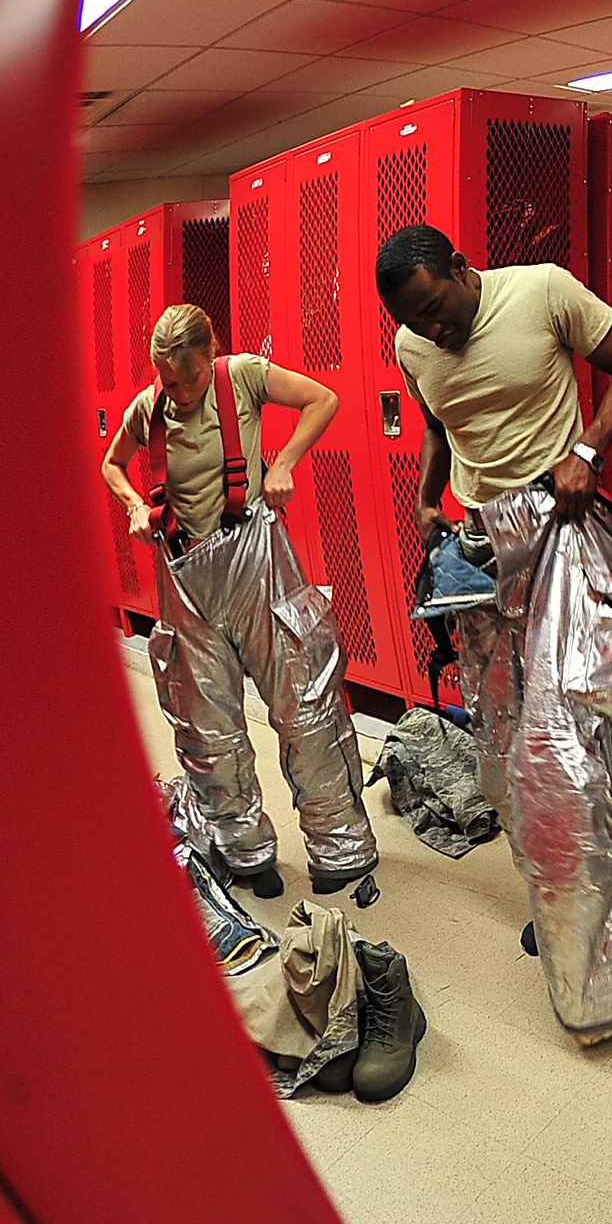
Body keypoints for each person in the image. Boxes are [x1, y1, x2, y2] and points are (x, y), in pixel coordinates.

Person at [377, 224, 612, 1048]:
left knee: (568, 748)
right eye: (415, 322)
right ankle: (559, 886)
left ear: (463, 269)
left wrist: (587, 447)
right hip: (477, 549)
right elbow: (439, 423)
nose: (433, 331)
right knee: (504, 754)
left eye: (437, 309)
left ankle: (594, 983)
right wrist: (427, 496)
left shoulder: (541, 290)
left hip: (564, 524)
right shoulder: (413, 342)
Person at [102, 303, 378, 899]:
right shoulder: (148, 409)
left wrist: (282, 462)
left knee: (302, 703)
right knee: (206, 725)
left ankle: (341, 846)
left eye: (184, 379)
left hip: (253, 555)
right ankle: (243, 849)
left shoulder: (244, 376)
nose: (172, 391)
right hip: (184, 572)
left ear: (209, 359)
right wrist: (133, 507)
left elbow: (322, 399)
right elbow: (112, 464)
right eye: (163, 379)